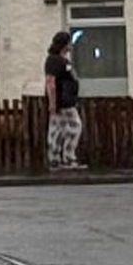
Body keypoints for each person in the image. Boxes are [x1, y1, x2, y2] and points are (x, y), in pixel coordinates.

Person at [45, 31, 85, 170]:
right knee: (74, 127)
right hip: (62, 101)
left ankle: (56, 159)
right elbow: (50, 82)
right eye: (69, 42)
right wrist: (52, 103)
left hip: (66, 100)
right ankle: (67, 157)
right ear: (64, 44)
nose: (70, 45)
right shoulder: (54, 60)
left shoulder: (62, 60)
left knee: (59, 129)